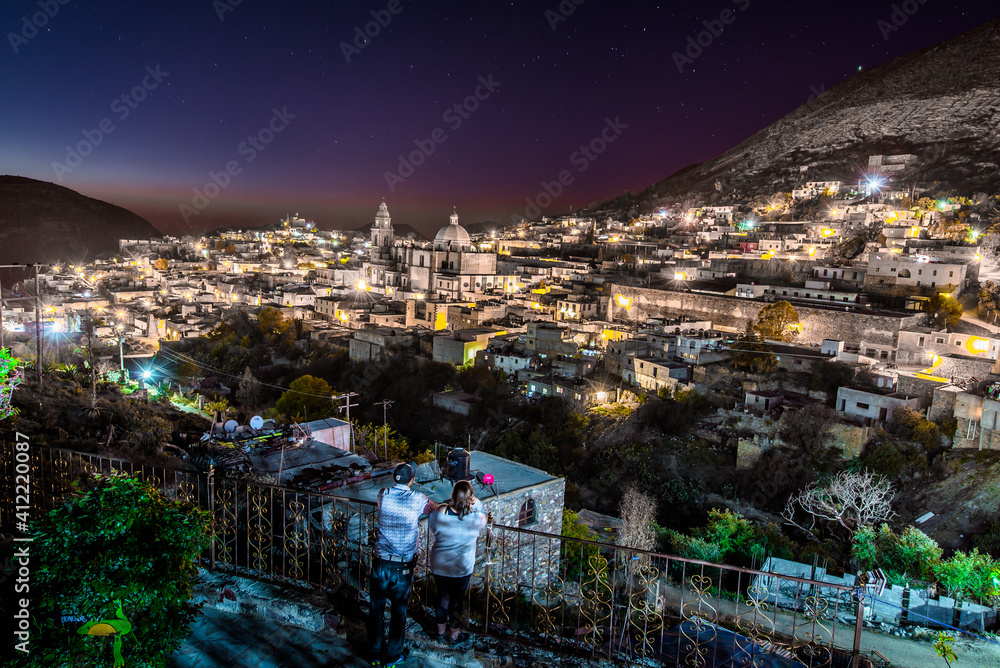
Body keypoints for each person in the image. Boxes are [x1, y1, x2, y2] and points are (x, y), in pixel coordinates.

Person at [367, 462, 438, 666]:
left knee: (376, 608)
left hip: (380, 562)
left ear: (393, 478)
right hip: (402, 565)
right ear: (412, 480)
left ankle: (373, 653)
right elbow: (434, 510)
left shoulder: (383, 494)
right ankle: (392, 655)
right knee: (398, 611)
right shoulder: (417, 499)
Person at [428, 480, 488, 644]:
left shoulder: (441, 511)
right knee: (456, 601)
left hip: (440, 563)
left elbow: (433, 527)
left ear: (452, 495)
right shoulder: (476, 518)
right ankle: (454, 635)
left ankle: (440, 634)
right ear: (471, 498)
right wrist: (477, 503)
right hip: (461, 566)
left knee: (443, 597)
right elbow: (485, 516)